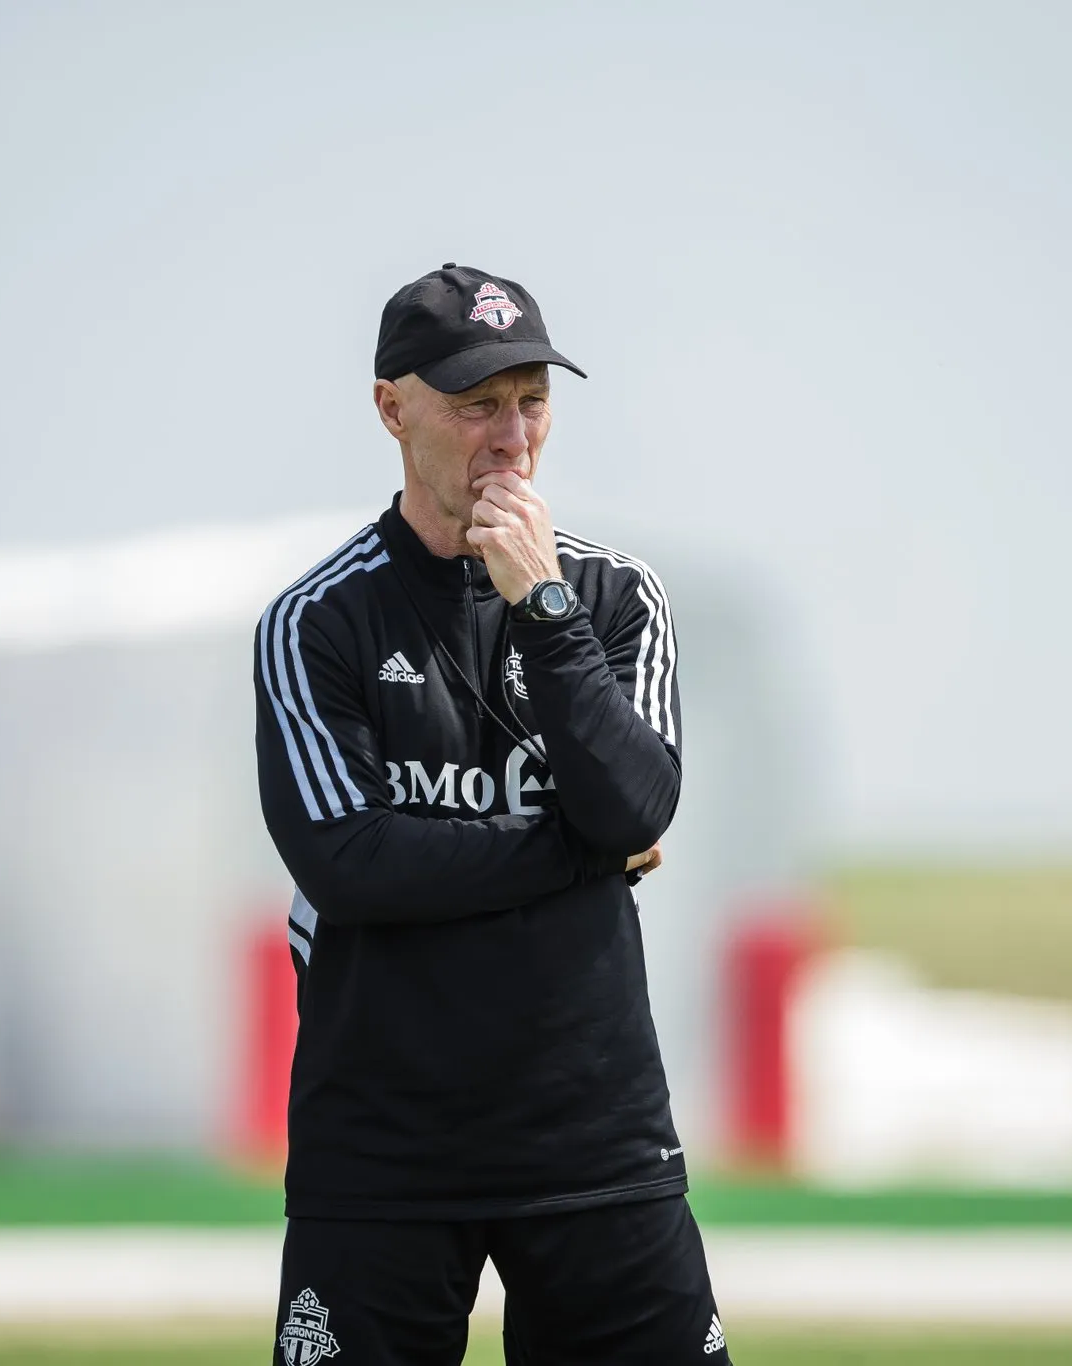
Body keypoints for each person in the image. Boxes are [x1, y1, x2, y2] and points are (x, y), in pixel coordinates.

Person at [254, 264, 730, 1365]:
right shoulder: (317, 623)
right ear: (391, 407)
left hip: (593, 1145)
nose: (509, 435)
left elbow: (635, 801)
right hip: (382, 1156)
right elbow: (353, 860)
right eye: (475, 404)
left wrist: (541, 606)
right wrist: (578, 851)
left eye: (530, 400)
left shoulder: (610, 598)